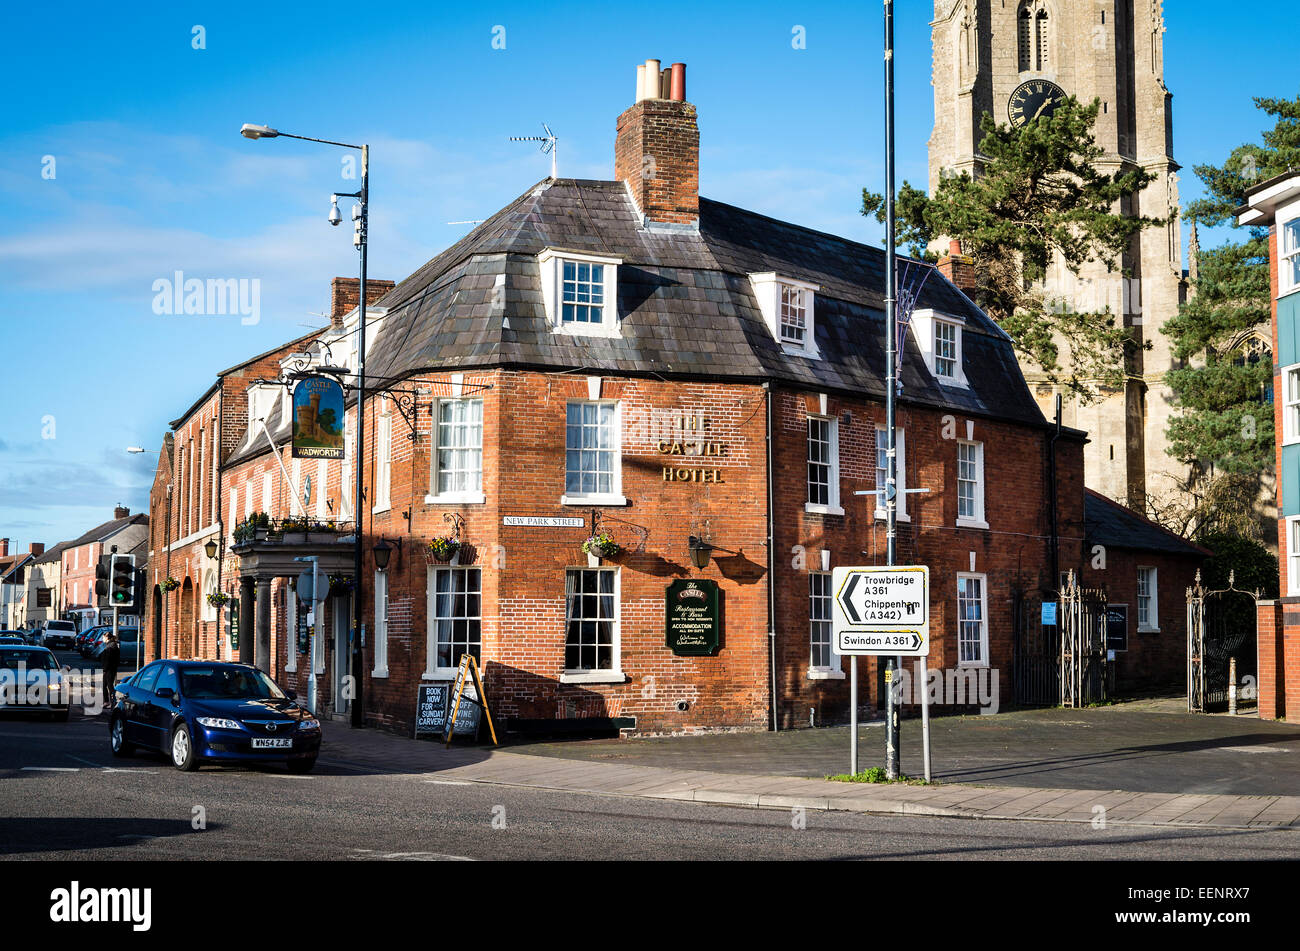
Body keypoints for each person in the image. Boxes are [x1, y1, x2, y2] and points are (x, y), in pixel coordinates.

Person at [100, 632, 121, 711]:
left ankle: (113, 702)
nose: (102, 639)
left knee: (110, 686)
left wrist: (105, 668)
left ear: (107, 637)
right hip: (107, 669)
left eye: (103, 637)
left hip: (110, 669)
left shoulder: (112, 646)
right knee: (104, 685)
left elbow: (109, 659)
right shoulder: (109, 645)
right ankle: (106, 702)